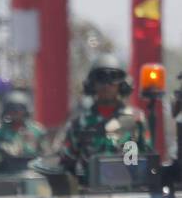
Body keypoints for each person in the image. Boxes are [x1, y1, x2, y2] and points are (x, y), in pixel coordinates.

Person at [55, 55, 151, 183]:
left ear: (122, 84)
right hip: (91, 196)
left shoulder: (136, 120)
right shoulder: (79, 123)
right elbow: (66, 165)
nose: (106, 85)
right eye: (100, 79)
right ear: (92, 84)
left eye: (113, 79)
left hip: (130, 195)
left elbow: (148, 160)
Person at [0, 91, 46, 172]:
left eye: (18, 110)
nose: (15, 114)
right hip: (7, 172)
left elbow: (45, 154)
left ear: (25, 111)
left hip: (31, 172)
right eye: (11, 110)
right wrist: (1, 150)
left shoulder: (36, 131)